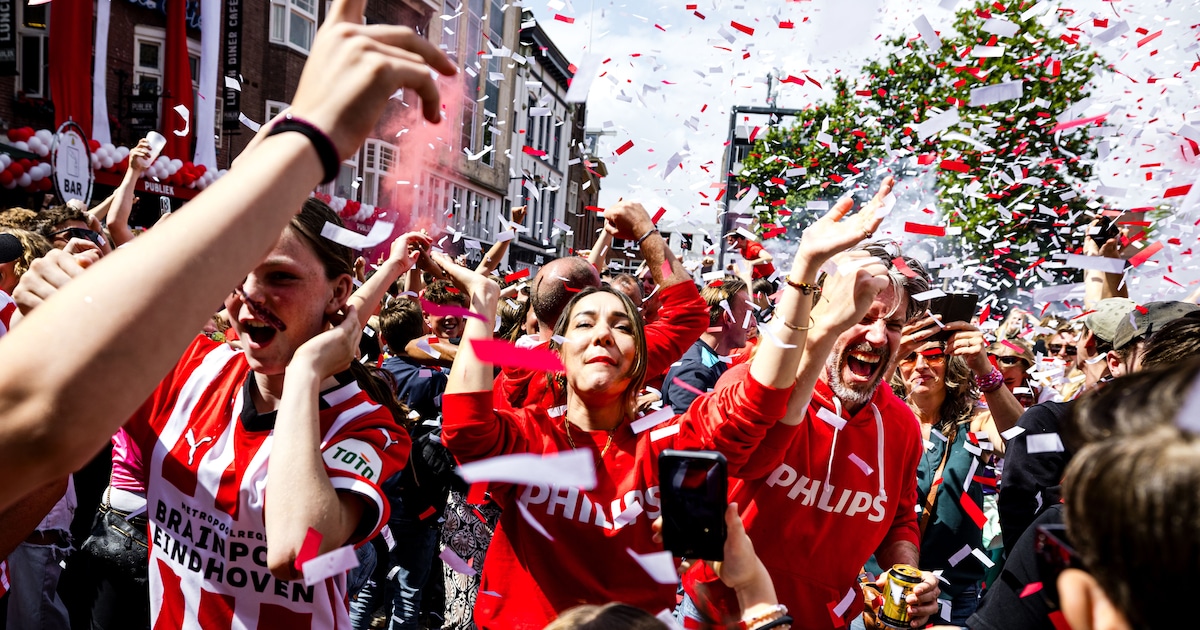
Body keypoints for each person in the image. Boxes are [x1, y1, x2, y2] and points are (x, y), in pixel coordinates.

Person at [0, 0, 458, 519]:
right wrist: (50, 328)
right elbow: (36, 448)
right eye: (237, 273)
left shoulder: (366, 420)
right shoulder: (189, 368)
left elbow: (300, 544)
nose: (251, 297)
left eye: (280, 276)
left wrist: (306, 376)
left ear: (338, 290)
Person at [438, 189, 887, 628]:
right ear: (558, 350)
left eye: (620, 325)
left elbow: (755, 398)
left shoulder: (670, 446)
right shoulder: (528, 436)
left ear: (641, 358)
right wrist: (482, 303)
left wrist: (804, 270)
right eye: (585, 323)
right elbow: (464, 430)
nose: (602, 334)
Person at [682, 182, 943, 630]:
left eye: (894, 325)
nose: (879, 338)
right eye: (862, 317)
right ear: (825, 311)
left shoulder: (900, 423)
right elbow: (707, 463)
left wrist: (910, 575)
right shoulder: (755, 382)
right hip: (720, 617)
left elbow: (899, 517)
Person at [887, 313, 1023, 624]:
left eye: (933, 355)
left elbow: (1022, 440)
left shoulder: (974, 421)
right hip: (882, 583)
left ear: (950, 363)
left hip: (954, 592)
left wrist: (984, 368)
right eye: (909, 357)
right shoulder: (879, 419)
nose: (920, 365)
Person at [662, 275, 752, 413]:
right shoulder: (695, 370)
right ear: (727, 318)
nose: (754, 323)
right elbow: (684, 430)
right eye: (748, 315)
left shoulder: (709, 359)